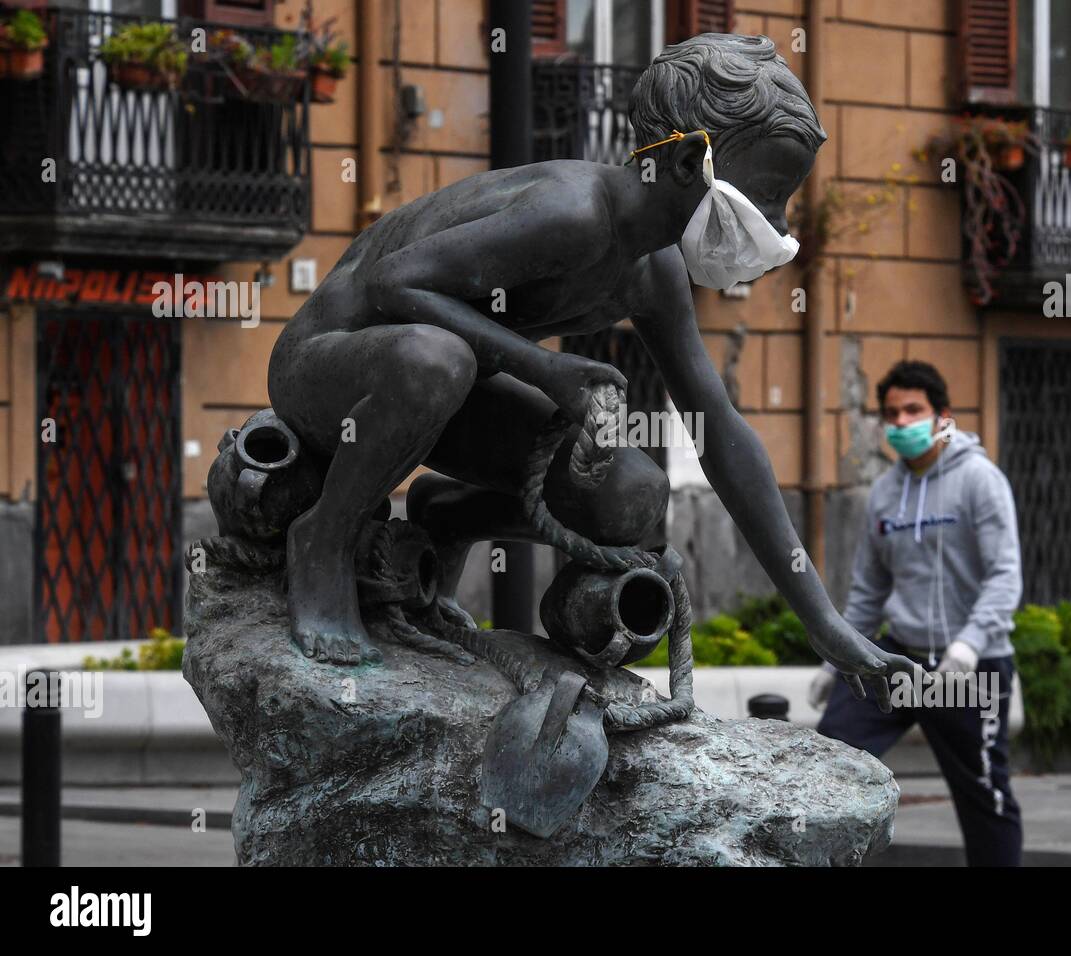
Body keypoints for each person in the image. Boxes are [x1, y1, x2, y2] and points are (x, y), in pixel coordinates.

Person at [267, 34, 912, 701]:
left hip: (443, 389)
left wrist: (822, 619)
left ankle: (451, 515)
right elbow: (392, 288)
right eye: (773, 193)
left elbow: (717, 427)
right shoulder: (574, 212)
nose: (776, 223)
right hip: (331, 366)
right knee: (436, 357)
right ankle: (323, 545)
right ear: (692, 160)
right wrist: (549, 376)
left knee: (636, 494)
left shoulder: (654, 271)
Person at [812, 360, 1024, 866]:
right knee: (824, 763)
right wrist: (835, 660)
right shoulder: (886, 493)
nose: (902, 423)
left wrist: (970, 644)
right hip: (899, 662)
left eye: (914, 410)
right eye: (892, 414)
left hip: (971, 671)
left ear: (943, 416)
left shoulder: (980, 480)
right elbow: (868, 590)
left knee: (984, 798)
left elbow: (1005, 576)